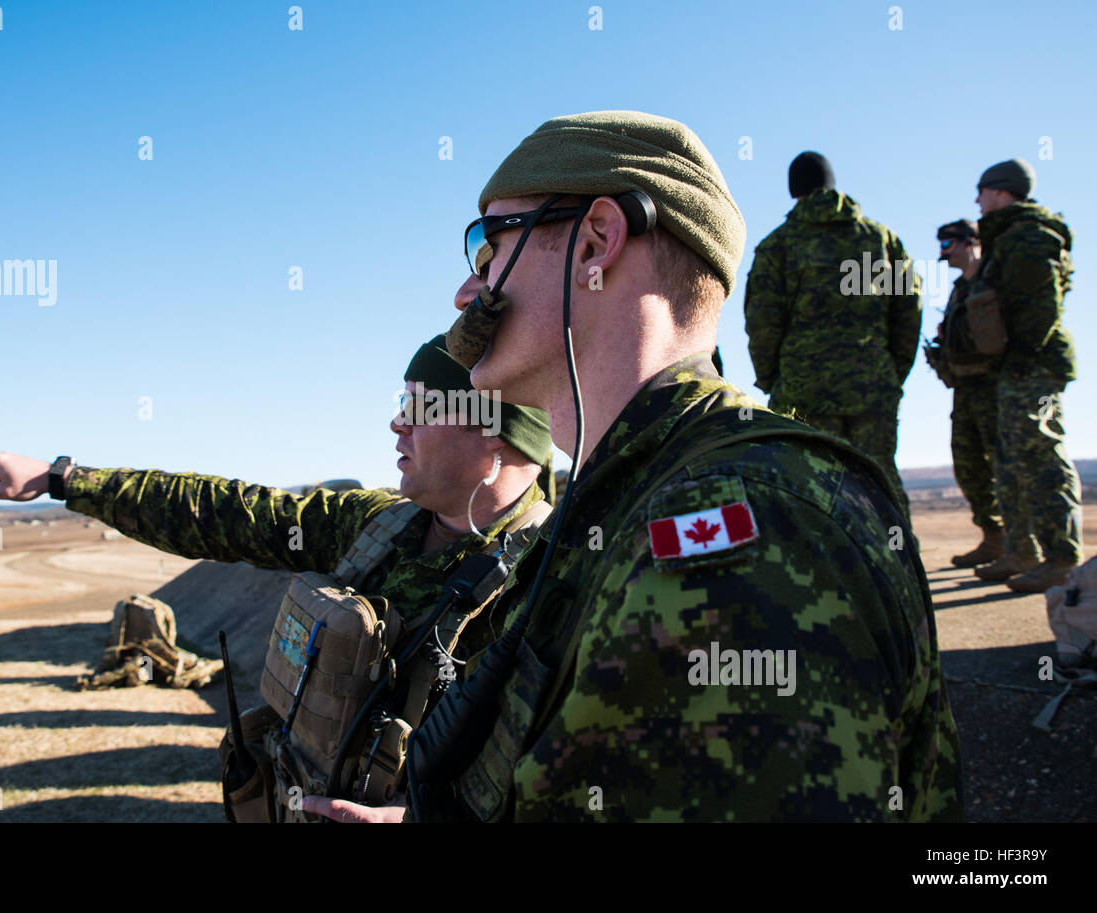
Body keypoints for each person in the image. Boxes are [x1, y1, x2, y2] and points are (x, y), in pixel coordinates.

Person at [307, 111, 962, 823]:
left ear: (596, 243)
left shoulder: (738, 530)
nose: (469, 292)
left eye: (489, 247)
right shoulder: (621, 503)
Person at [0, 334, 553, 668]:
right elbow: (221, 511)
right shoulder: (375, 526)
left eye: (419, 406)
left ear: (491, 427)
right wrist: (62, 478)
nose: (397, 425)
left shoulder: (557, 573)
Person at [744, 151, 921, 515]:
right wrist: (889, 370)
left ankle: (827, 570)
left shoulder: (779, 244)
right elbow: (908, 311)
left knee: (809, 487)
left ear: (794, 189)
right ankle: (900, 568)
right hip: (872, 384)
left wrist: (772, 378)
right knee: (880, 480)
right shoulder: (882, 240)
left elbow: (762, 321)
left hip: (803, 387)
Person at [970, 158, 1082, 593]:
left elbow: (1043, 309)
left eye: (982, 191)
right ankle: (1023, 551)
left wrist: (1020, 356)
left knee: (1041, 458)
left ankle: (1062, 557)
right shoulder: (1009, 237)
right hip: (1015, 366)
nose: (977, 201)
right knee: (1012, 462)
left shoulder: (1030, 235)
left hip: (1032, 367)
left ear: (1001, 191)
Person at [929, 219, 1012, 567]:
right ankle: (994, 538)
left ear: (968, 243)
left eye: (948, 245)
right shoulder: (959, 289)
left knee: (1007, 465)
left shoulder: (993, 280)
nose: (943, 253)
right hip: (964, 388)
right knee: (969, 466)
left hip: (995, 387)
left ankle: (1023, 543)